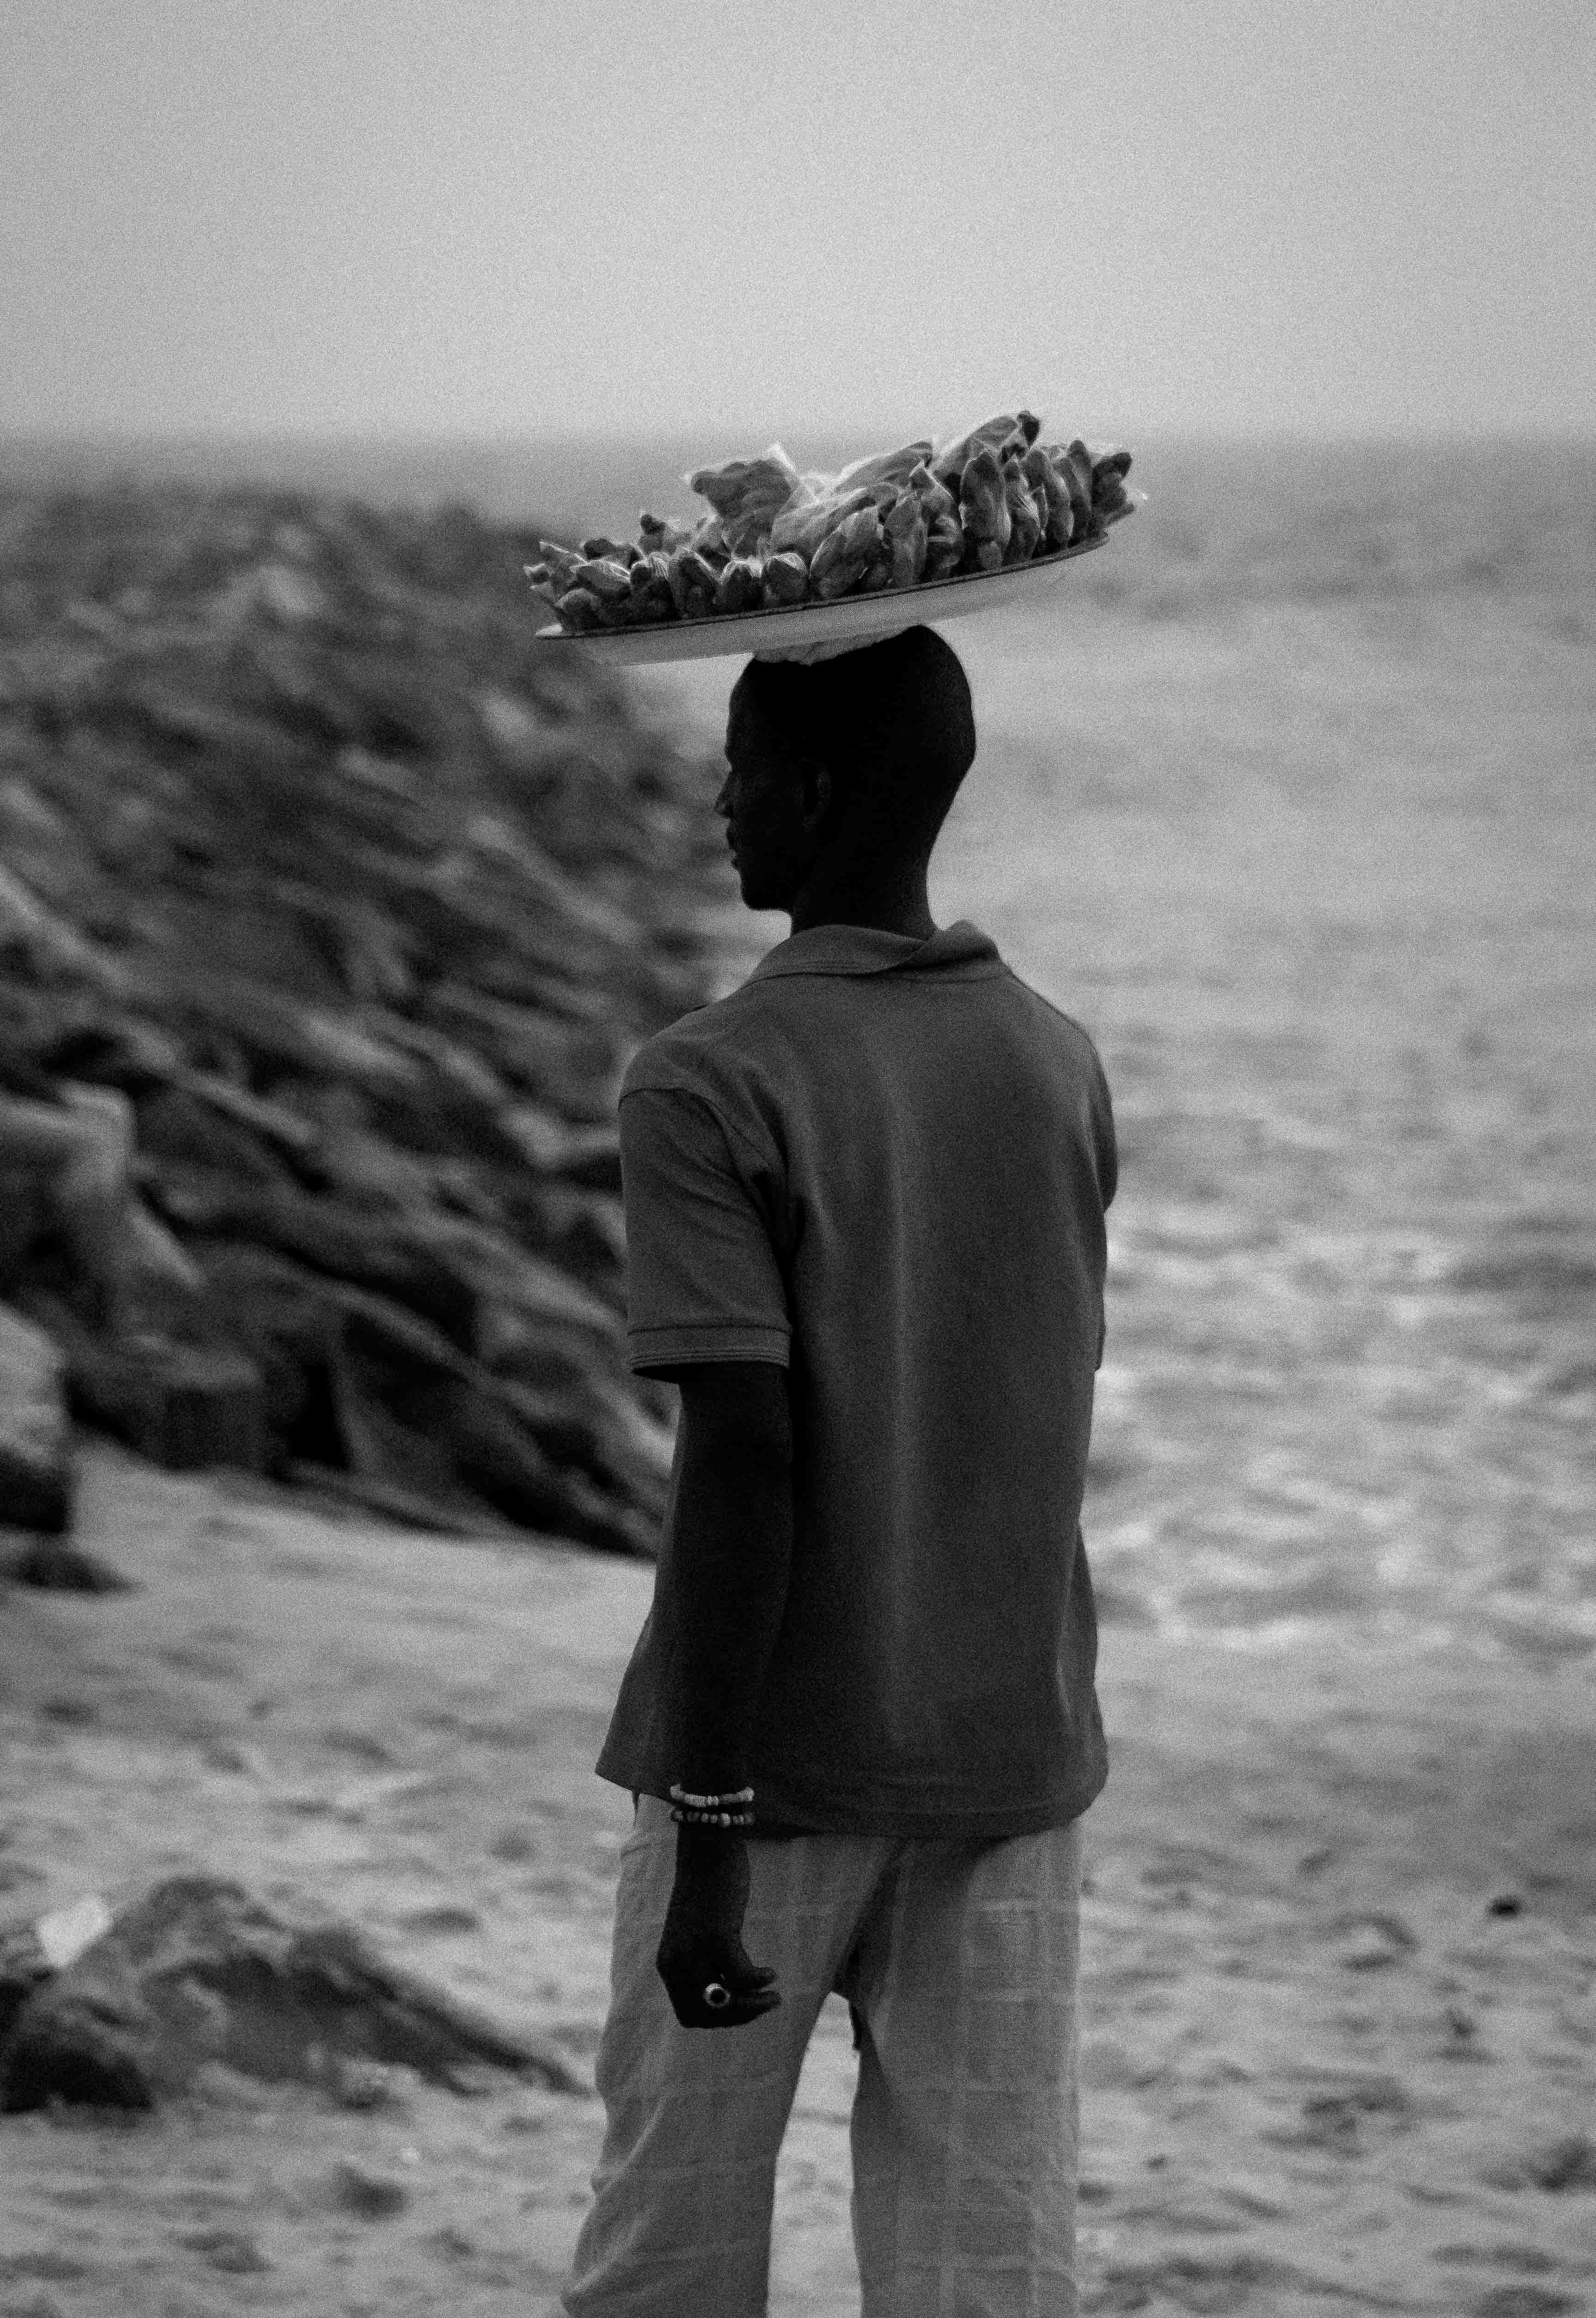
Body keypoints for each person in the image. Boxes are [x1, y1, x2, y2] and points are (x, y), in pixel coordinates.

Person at [561, 623, 1117, 2318]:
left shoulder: (706, 1079)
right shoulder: (1056, 1058)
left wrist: (712, 1823)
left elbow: (746, 1456)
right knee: (985, 2274)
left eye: (741, 766)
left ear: (810, 793)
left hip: (773, 1761)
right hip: (1007, 1757)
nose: (720, 799)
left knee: (668, 2261)